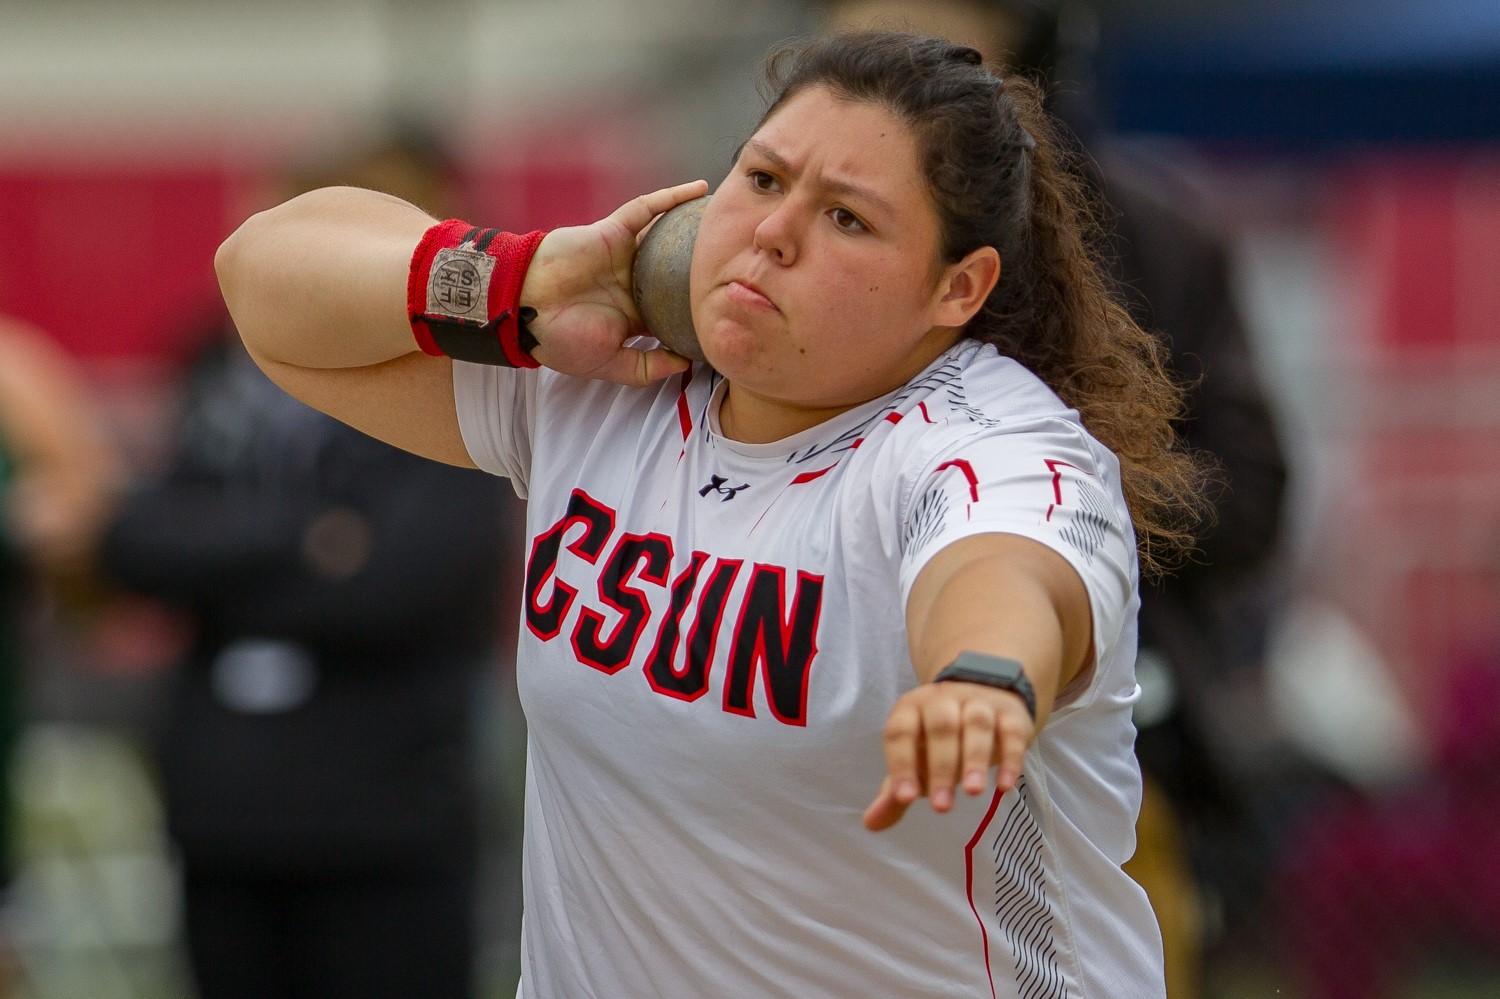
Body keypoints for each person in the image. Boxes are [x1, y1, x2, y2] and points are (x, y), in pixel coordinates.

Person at [215, 31, 1205, 997]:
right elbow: (264, 280)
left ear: (958, 287)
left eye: (847, 219)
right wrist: (523, 280)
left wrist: (982, 683)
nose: (774, 232)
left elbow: (1007, 570)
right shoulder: (604, 383)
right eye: (764, 180)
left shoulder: (988, 444)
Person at [823, 3, 1291, 993]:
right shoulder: (779, 236)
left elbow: (1250, 496)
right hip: (823, 762)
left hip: (1103, 750)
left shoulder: (1151, 234)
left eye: (930, 45)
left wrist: (1034, 492)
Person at [98, 137, 518, 999]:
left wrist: (223, 570)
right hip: (223, 808)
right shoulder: (220, 362)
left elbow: (407, 578)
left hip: (387, 812)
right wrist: (304, 540)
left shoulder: (458, 373)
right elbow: (134, 538)